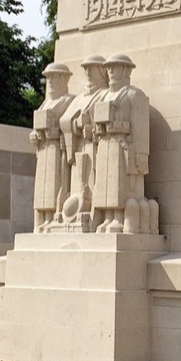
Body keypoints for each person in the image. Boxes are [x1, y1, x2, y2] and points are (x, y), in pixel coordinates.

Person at [91, 55, 154, 233]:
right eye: (109, 67)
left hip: (123, 145)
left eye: (115, 67)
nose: (110, 71)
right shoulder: (103, 95)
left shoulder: (134, 94)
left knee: (121, 183)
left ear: (126, 70)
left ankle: (119, 218)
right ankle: (108, 216)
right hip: (105, 143)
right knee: (105, 183)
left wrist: (141, 154)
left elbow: (141, 128)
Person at [53, 55, 108, 230]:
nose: (88, 72)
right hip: (77, 146)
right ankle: (73, 215)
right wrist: (76, 124)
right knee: (77, 183)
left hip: (94, 147)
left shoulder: (104, 94)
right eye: (85, 68)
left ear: (101, 70)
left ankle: (93, 215)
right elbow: (64, 120)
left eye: (91, 68)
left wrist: (92, 128)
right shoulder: (78, 98)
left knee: (91, 181)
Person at [30, 63, 74, 232]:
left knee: (55, 184)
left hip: (56, 148)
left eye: (55, 77)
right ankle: (41, 219)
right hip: (43, 149)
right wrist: (34, 135)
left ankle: (51, 218)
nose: (51, 81)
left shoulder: (68, 101)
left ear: (64, 79)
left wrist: (56, 133)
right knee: (42, 187)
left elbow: (69, 126)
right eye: (49, 78)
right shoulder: (45, 103)